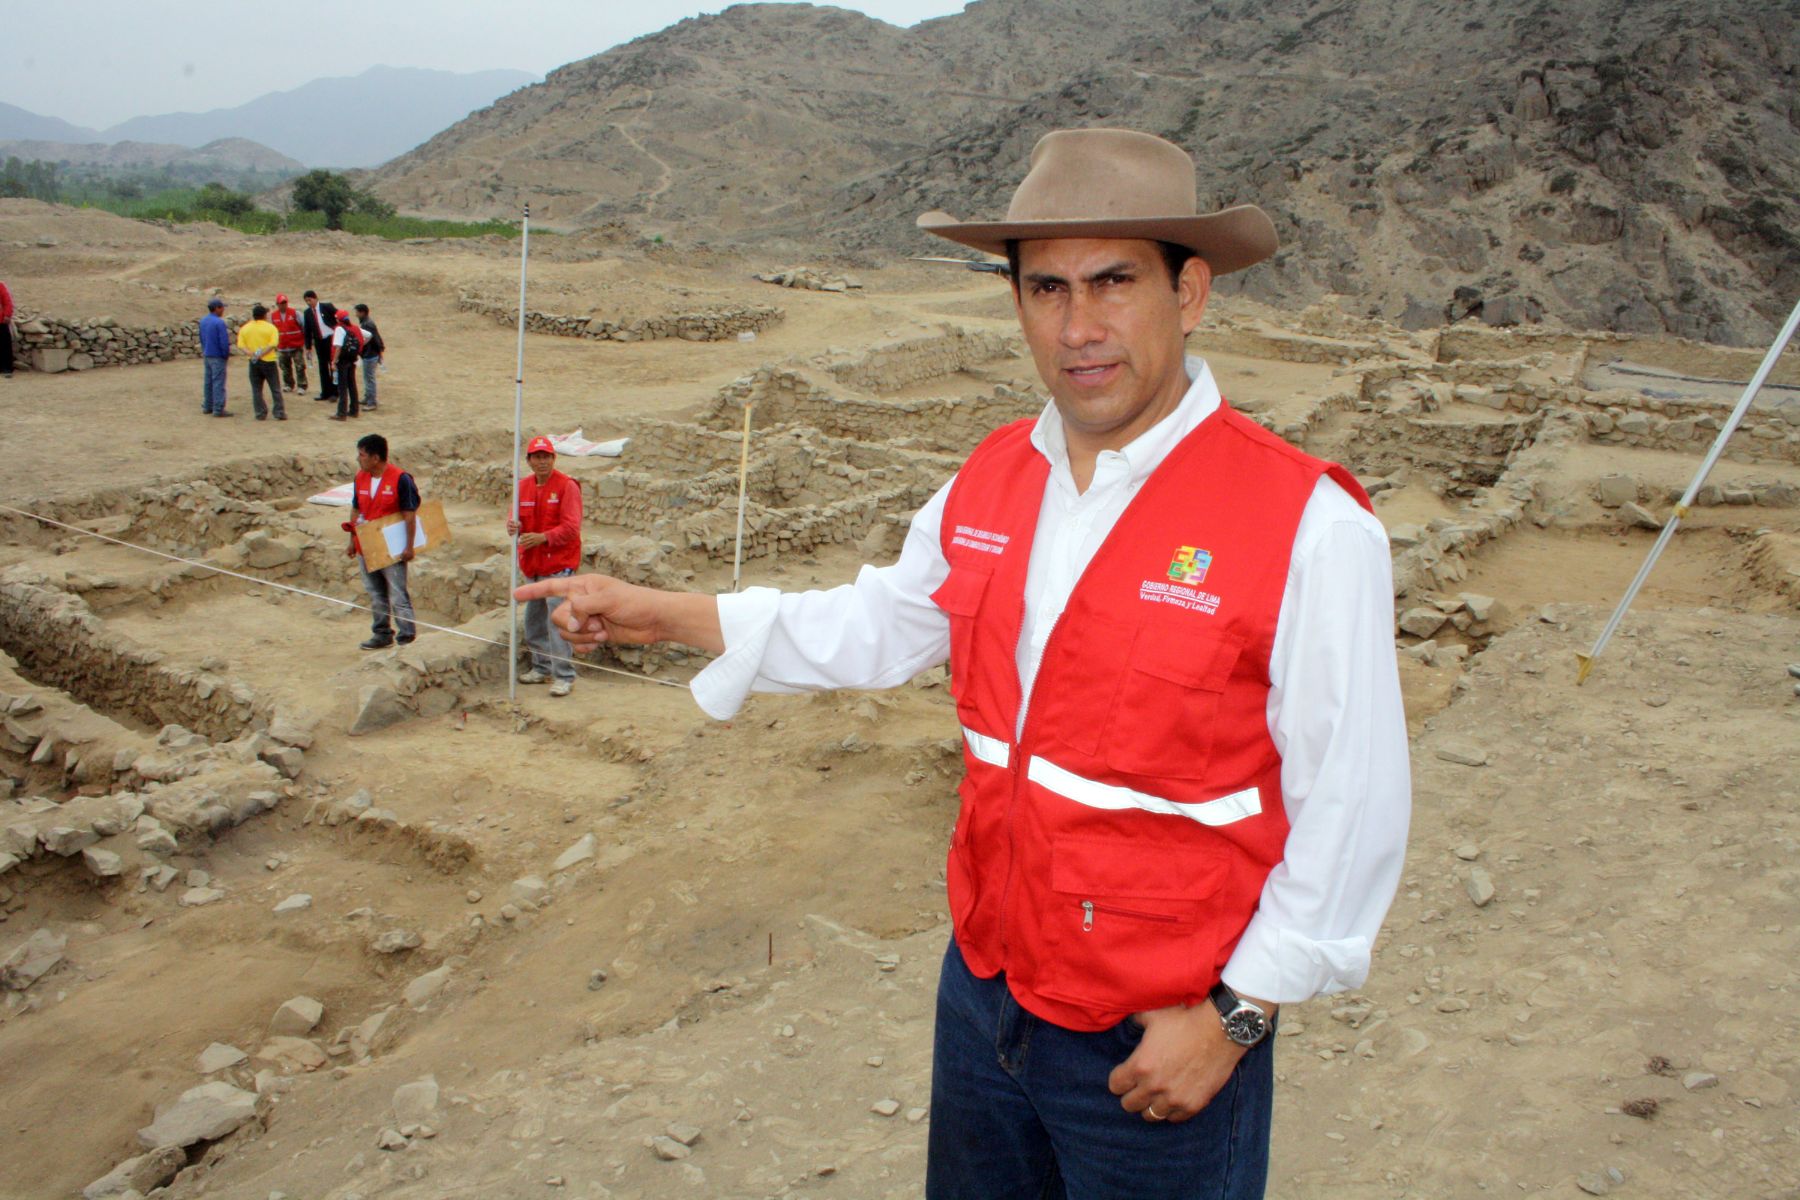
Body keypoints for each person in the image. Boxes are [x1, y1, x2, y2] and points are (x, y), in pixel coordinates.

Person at [519, 128, 1411, 1199]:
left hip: (1157, 1034)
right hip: (986, 996)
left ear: (1192, 291)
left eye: (1113, 282)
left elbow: (1353, 800)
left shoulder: (1304, 522)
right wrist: (660, 615)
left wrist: (1238, 1015)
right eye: (1045, 290)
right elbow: (880, 623)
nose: (1078, 327)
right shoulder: (990, 482)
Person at [508, 435, 582, 697]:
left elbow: (572, 527)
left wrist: (544, 537)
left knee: (556, 619)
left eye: (546, 456)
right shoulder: (523, 487)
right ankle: (541, 667)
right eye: (536, 457)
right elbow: (513, 521)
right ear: (528, 461)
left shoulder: (566, 486)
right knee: (534, 619)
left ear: (553, 458)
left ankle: (564, 675)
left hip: (559, 565)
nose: (541, 461)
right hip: (533, 565)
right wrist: (513, 527)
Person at [344, 433, 418, 650]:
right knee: (375, 592)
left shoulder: (401, 479)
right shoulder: (360, 477)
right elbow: (356, 509)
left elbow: (409, 514)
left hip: (391, 547)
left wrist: (409, 546)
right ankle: (382, 633)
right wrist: (352, 540)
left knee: (397, 593)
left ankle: (407, 637)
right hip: (366, 545)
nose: (359, 459)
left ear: (375, 458)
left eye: (362, 455)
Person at [235, 302, 285, 421]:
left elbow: (241, 345)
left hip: (253, 362)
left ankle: (260, 412)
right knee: (275, 388)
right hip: (268, 361)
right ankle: (279, 412)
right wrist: (261, 353)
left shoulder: (245, 328)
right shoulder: (270, 328)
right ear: (264, 315)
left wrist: (252, 354)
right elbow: (273, 344)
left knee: (256, 389)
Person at [199, 297, 232, 417]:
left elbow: (201, 338)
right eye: (222, 307)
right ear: (217, 308)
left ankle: (208, 405)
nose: (223, 310)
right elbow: (223, 341)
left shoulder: (203, 321)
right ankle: (218, 408)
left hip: (207, 354)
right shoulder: (219, 322)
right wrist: (225, 354)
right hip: (217, 355)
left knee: (208, 381)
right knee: (218, 382)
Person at [327, 309, 363, 420]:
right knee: (352, 385)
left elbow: (338, 347)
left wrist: (333, 362)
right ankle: (354, 410)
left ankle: (341, 413)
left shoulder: (339, 329)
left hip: (342, 361)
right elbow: (363, 339)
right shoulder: (355, 328)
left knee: (342, 387)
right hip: (352, 359)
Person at [270, 293, 308, 395]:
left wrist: (305, 341)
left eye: (285, 302)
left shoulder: (295, 313)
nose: (283, 305)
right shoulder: (273, 316)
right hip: (282, 347)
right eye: (281, 303)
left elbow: (304, 326)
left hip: (296, 345)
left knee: (300, 366)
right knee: (285, 367)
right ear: (277, 304)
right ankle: (288, 384)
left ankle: (302, 385)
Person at [302, 291, 335, 402]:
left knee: (333, 365)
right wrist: (308, 347)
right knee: (322, 367)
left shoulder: (327, 307)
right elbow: (307, 331)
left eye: (309, 300)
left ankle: (335, 392)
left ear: (315, 298)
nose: (308, 302)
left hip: (331, 339)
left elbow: (338, 318)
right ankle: (325, 392)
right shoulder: (307, 313)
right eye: (306, 301)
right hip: (319, 341)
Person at [353, 302, 385, 411]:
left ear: (362, 312)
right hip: (370, 354)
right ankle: (368, 398)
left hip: (370, 355)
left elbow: (374, 340)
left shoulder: (367, 324)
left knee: (369, 378)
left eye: (357, 312)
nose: (356, 314)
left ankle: (371, 402)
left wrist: (379, 351)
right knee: (367, 377)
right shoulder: (367, 322)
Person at [0, 278, 14, 378]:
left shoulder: (0, 286)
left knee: (4, 345)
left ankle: (7, 367)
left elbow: (7, 301)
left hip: (0, 321)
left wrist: (7, 315)